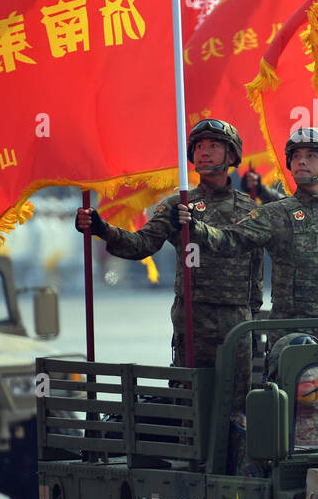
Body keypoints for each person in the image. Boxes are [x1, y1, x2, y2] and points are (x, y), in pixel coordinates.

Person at [76, 119, 261, 408]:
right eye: (199, 147)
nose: (205, 152)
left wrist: (253, 317)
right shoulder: (178, 205)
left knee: (236, 407)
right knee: (191, 404)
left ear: (232, 155)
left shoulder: (250, 209)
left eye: (214, 146)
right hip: (192, 319)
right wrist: (102, 228)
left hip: (237, 322)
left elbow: (256, 271)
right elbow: (142, 245)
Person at [178, 127, 318, 344]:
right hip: (290, 337)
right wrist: (196, 227)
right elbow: (231, 240)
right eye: (296, 156)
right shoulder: (274, 213)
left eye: (311, 155)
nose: (301, 161)